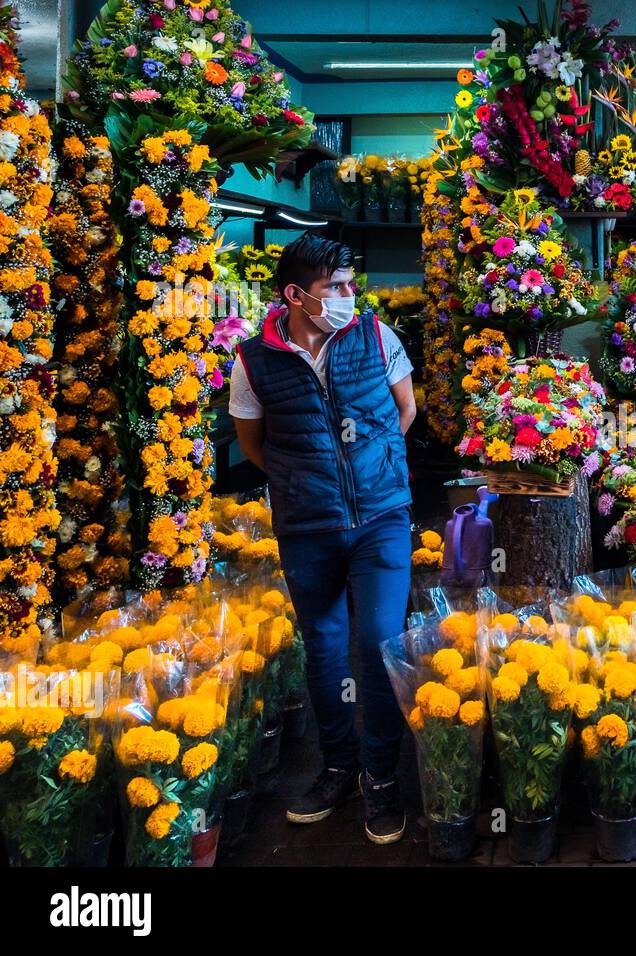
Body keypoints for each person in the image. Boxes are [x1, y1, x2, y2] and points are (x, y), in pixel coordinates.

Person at [230, 234, 418, 844]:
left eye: (349, 285)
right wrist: (307, 480)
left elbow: (405, 413)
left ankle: (382, 776)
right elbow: (254, 445)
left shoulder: (376, 338)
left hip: (382, 517)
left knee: (378, 641)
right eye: (334, 288)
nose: (348, 297)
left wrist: (370, 471)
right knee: (325, 646)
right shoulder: (253, 360)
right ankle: (337, 766)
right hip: (307, 525)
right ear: (295, 295)